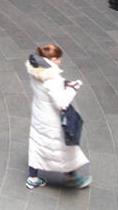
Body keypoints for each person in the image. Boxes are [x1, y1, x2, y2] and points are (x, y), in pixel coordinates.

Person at [25, 44, 91, 190]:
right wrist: (73, 88)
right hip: (52, 121)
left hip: (39, 116)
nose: (61, 61)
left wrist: (64, 83)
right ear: (53, 60)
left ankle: (32, 178)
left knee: (37, 145)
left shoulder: (35, 70)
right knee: (65, 149)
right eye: (59, 59)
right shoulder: (52, 79)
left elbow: (45, 90)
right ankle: (71, 177)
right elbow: (61, 103)